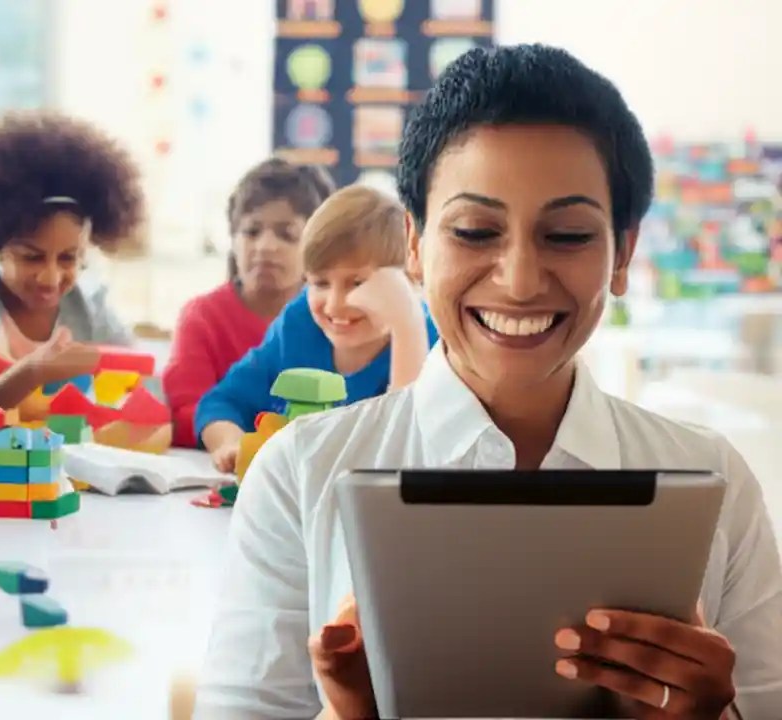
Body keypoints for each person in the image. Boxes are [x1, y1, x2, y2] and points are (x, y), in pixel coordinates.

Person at [194, 44, 782, 719]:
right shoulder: (300, 475)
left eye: (566, 234)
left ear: (623, 253)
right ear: (413, 246)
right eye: (475, 231)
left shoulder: (713, 483)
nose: (521, 280)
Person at [195, 184, 436, 472]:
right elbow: (221, 402)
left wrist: (406, 323)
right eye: (320, 283)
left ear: (409, 281)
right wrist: (229, 443)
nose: (334, 305)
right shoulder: (298, 324)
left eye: (357, 283)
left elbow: (410, 449)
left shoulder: (428, 339)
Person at [0, 110, 145, 417]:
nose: (51, 277)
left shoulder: (90, 305)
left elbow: (142, 382)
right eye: (32, 256)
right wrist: (34, 371)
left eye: (69, 258)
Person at [162, 159, 335, 448]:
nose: (266, 246)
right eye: (252, 231)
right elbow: (184, 413)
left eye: (287, 234)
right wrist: (237, 439)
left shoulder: (334, 317)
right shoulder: (202, 317)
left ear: (318, 244)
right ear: (232, 238)